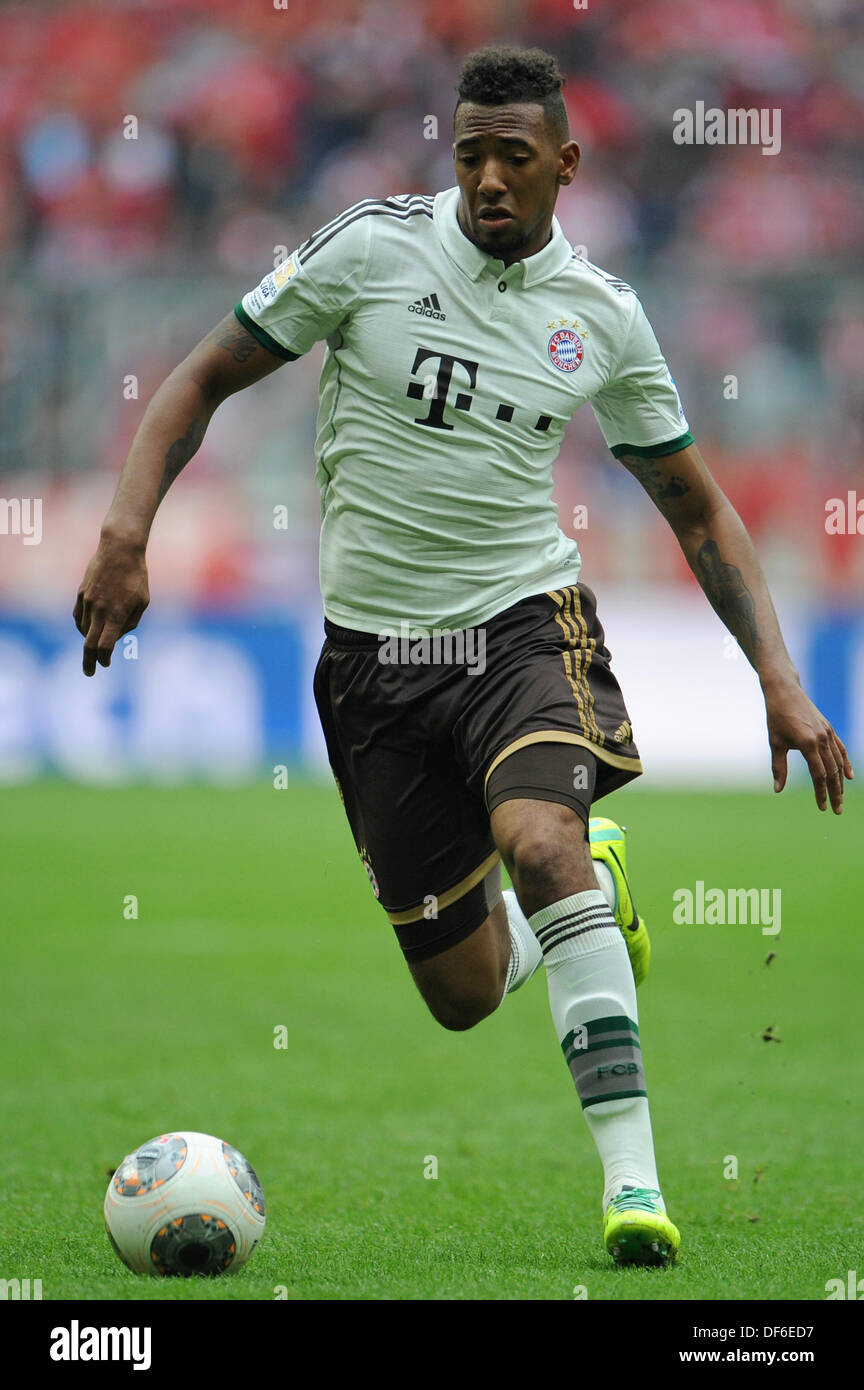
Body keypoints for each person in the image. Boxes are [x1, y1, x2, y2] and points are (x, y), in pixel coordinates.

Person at [75, 45, 853, 1267]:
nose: (490, 180)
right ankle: (590, 887)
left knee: (538, 845)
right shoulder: (370, 249)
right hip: (371, 669)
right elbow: (202, 377)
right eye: (471, 155)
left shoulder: (602, 313)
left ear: (566, 167)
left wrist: (779, 676)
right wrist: (125, 533)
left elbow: (698, 509)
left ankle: (634, 1189)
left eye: (516, 159)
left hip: (520, 629)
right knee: (465, 995)